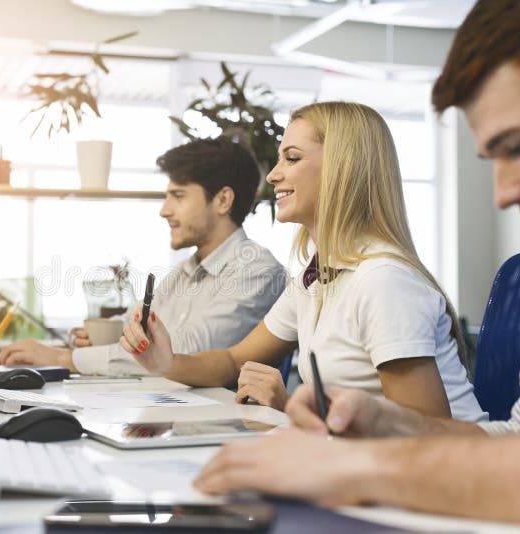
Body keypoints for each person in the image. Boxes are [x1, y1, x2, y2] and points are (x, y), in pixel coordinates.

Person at [192, 0, 520, 527]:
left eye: (519, 145)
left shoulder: (383, 279)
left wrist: (365, 465)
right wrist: (389, 427)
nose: (502, 194)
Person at [121, 102, 485, 420]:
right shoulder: (315, 278)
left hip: (450, 482)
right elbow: (234, 361)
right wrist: (165, 362)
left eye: (292, 158)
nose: (274, 174)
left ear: (343, 168)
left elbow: (424, 439)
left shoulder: (382, 281)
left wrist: (292, 408)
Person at [0, 136, 287, 375]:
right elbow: (129, 326)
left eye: (179, 195)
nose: (164, 210)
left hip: (217, 425)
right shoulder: (184, 272)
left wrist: (64, 359)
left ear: (222, 200)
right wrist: (87, 340)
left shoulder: (257, 270)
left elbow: (183, 353)